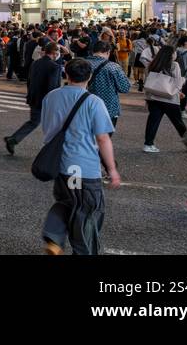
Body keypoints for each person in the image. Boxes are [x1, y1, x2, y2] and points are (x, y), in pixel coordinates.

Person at [38, 58, 121, 255]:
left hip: (59, 164)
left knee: (66, 202)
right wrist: (112, 169)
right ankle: (82, 251)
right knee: (88, 212)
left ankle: (54, 237)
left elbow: (46, 127)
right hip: (83, 167)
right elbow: (103, 139)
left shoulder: (51, 96)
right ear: (89, 77)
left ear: (66, 74)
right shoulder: (94, 102)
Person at [4, 41, 63, 155]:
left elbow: (29, 81)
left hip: (34, 97)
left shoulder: (35, 63)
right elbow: (53, 87)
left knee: (34, 122)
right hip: (47, 101)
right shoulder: (55, 67)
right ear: (55, 53)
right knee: (55, 125)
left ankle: (14, 139)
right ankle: (53, 151)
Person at [143, 43, 187, 152]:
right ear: (171, 54)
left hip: (154, 97)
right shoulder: (174, 65)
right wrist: (183, 80)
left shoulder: (152, 64)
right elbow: (177, 83)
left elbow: (147, 80)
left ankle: (148, 144)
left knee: (153, 122)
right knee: (178, 122)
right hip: (170, 99)